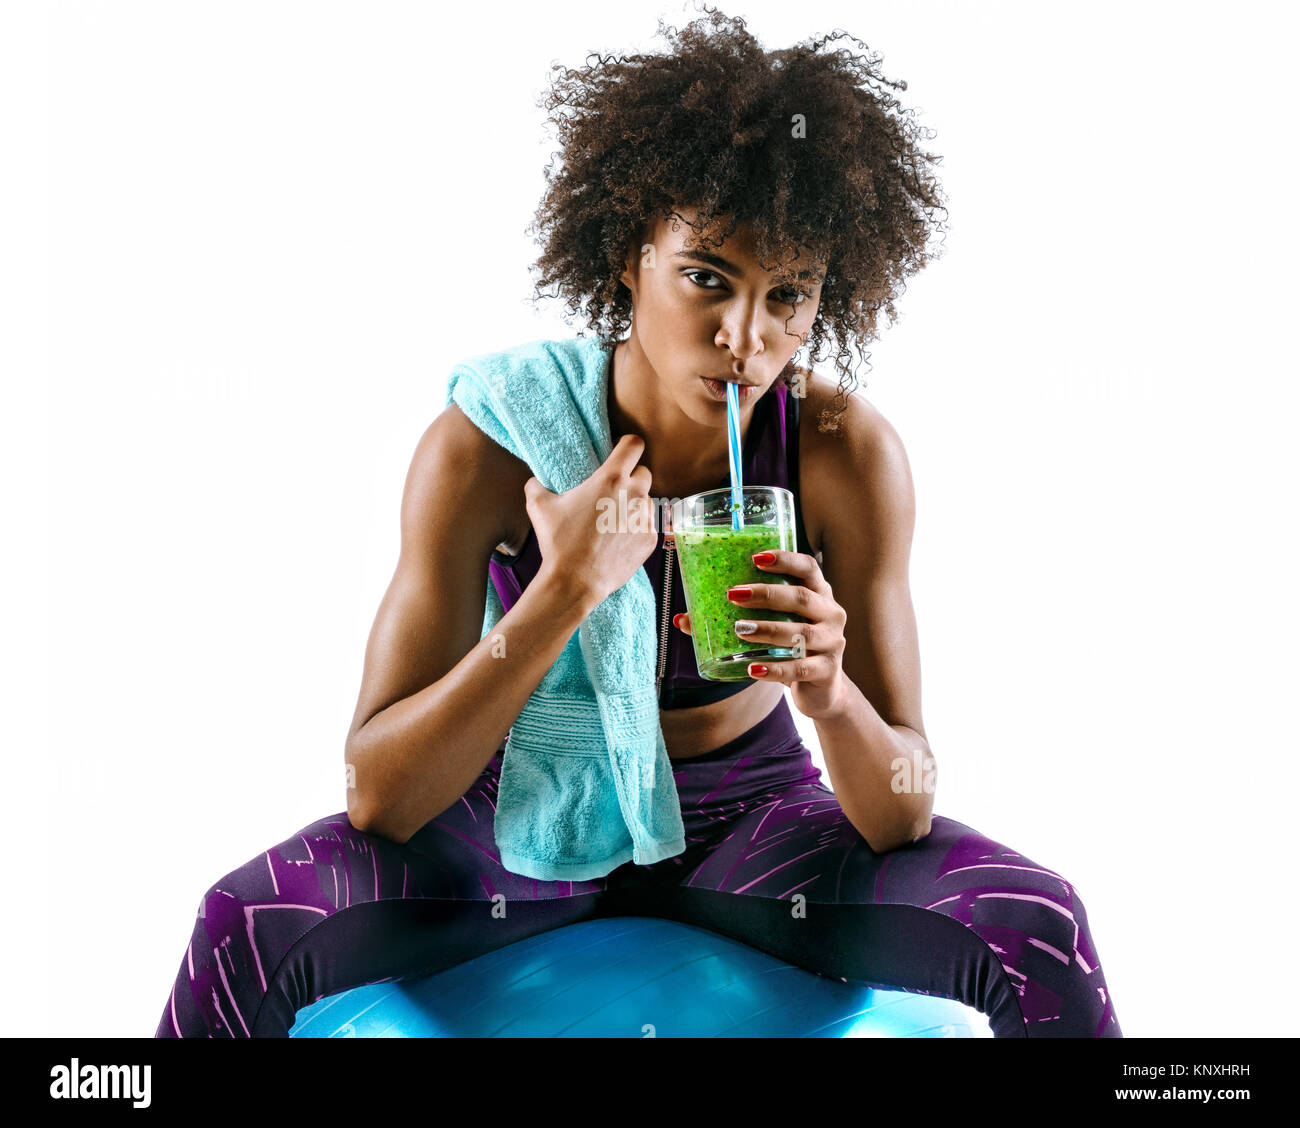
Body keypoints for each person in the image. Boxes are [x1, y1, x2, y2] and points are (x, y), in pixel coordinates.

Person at [155, 7, 1121, 1038]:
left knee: (1037, 922)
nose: (746, 338)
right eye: (705, 278)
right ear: (627, 253)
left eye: (786, 296)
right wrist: (563, 589)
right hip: (511, 818)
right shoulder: (493, 441)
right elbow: (379, 798)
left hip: (746, 821)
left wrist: (832, 696)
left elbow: (902, 807)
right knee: (241, 922)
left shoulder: (843, 451)